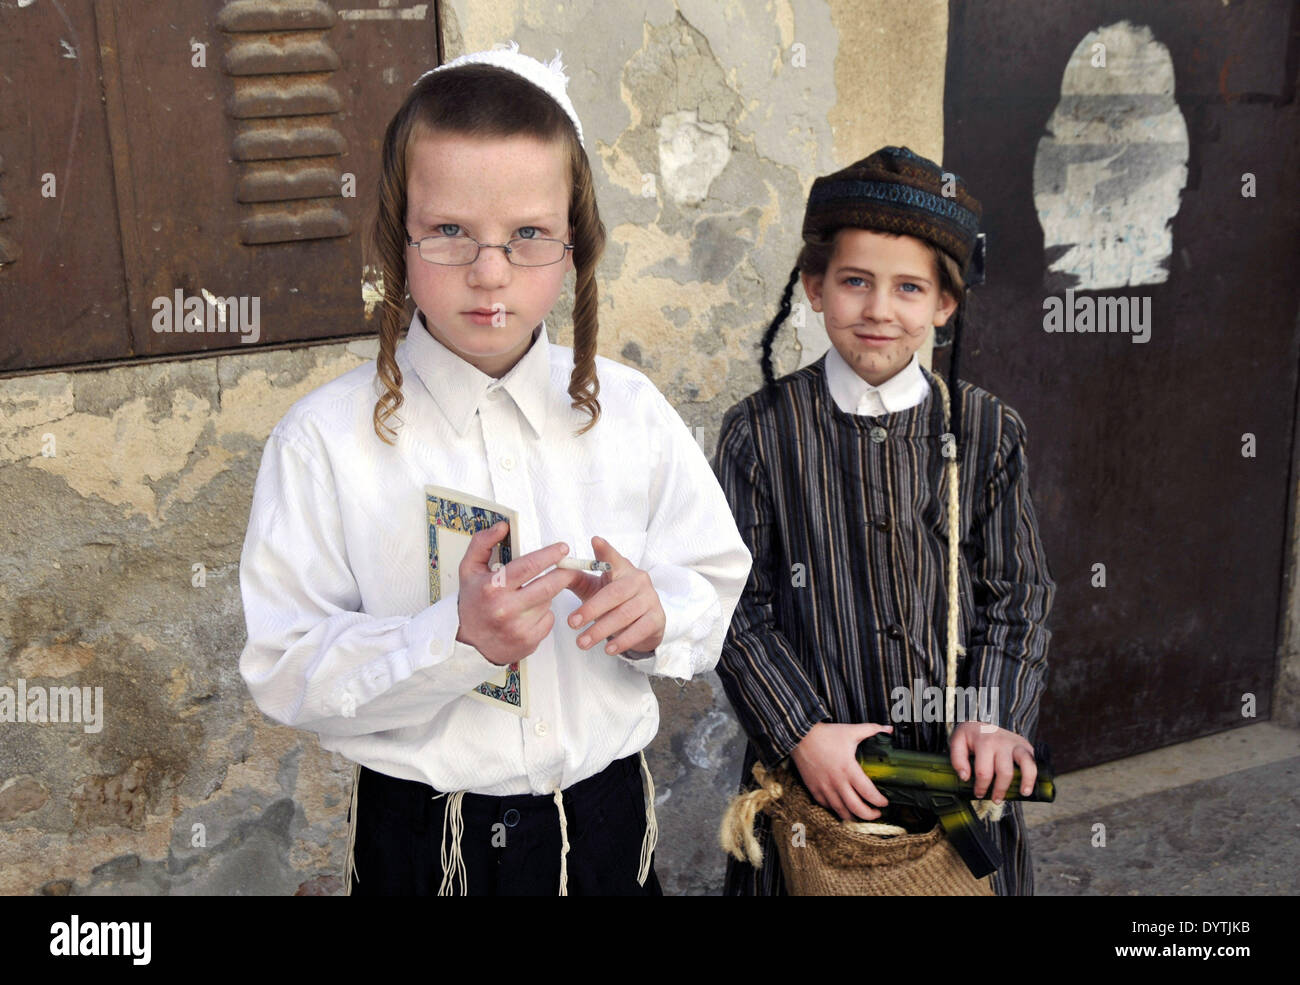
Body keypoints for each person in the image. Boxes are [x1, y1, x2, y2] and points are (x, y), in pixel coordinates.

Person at [237, 42, 751, 896]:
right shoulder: (322, 442)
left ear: (574, 241)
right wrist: (453, 639)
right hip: (424, 843)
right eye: (448, 232)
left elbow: (714, 576)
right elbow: (285, 664)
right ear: (396, 234)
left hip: (606, 833)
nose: (489, 272)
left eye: (526, 236)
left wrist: (662, 611)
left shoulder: (632, 414)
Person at [713, 146, 1056, 895]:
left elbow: (1018, 595)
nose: (878, 309)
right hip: (814, 790)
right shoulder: (761, 433)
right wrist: (801, 733)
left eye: (908, 287)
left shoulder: (987, 432)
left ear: (944, 304)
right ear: (813, 286)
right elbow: (733, 604)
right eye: (855, 282)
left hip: (953, 788)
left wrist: (994, 718)